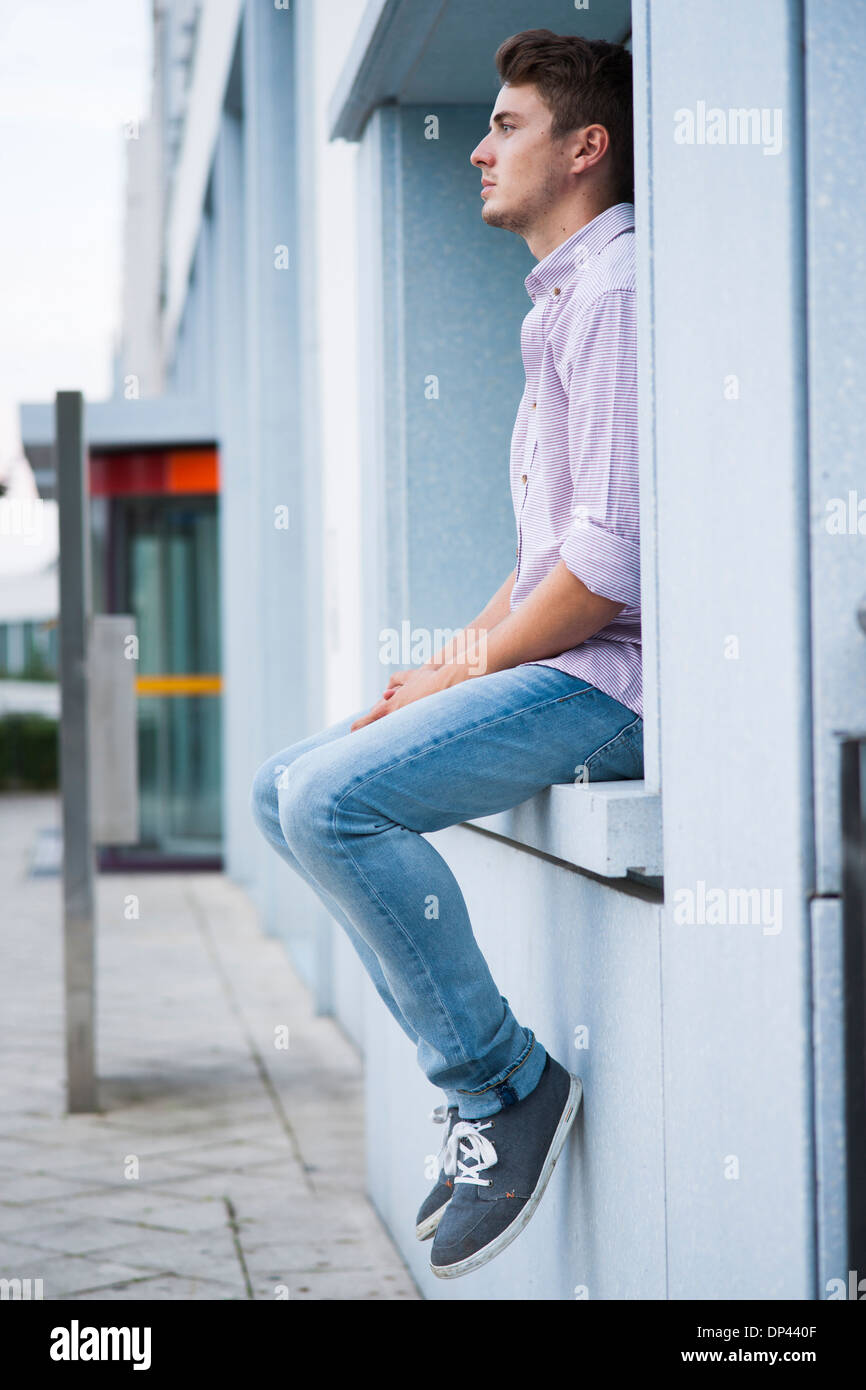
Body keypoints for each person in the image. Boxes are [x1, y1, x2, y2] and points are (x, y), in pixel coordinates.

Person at [250, 28, 641, 1281]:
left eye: (507, 126)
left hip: (613, 687)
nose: (475, 148)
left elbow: (603, 579)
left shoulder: (619, 293)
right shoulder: (562, 303)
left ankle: (499, 1087)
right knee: (280, 787)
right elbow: (544, 562)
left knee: (328, 798)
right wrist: (445, 662)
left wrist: (464, 670)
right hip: (559, 669)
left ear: (585, 148)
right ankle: (489, 1084)